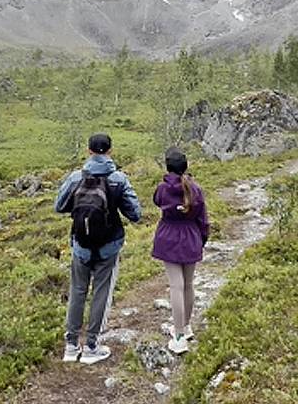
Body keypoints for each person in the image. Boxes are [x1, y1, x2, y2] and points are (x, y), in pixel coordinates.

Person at [54, 132, 141, 364]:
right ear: (110, 151)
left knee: (77, 291)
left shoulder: (75, 178)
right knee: (101, 292)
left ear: (88, 151)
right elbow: (135, 213)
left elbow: (59, 206)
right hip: (109, 247)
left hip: (80, 246)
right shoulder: (118, 179)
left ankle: (71, 346)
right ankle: (92, 346)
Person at [151, 147, 209, 355]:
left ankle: (178, 336)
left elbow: (157, 201)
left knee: (176, 286)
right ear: (186, 167)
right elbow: (203, 218)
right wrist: (201, 239)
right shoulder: (195, 189)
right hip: (191, 237)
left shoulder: (162, 188)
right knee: (188, 284)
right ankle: (186, 326)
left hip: (168, 237)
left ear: (167, 167)